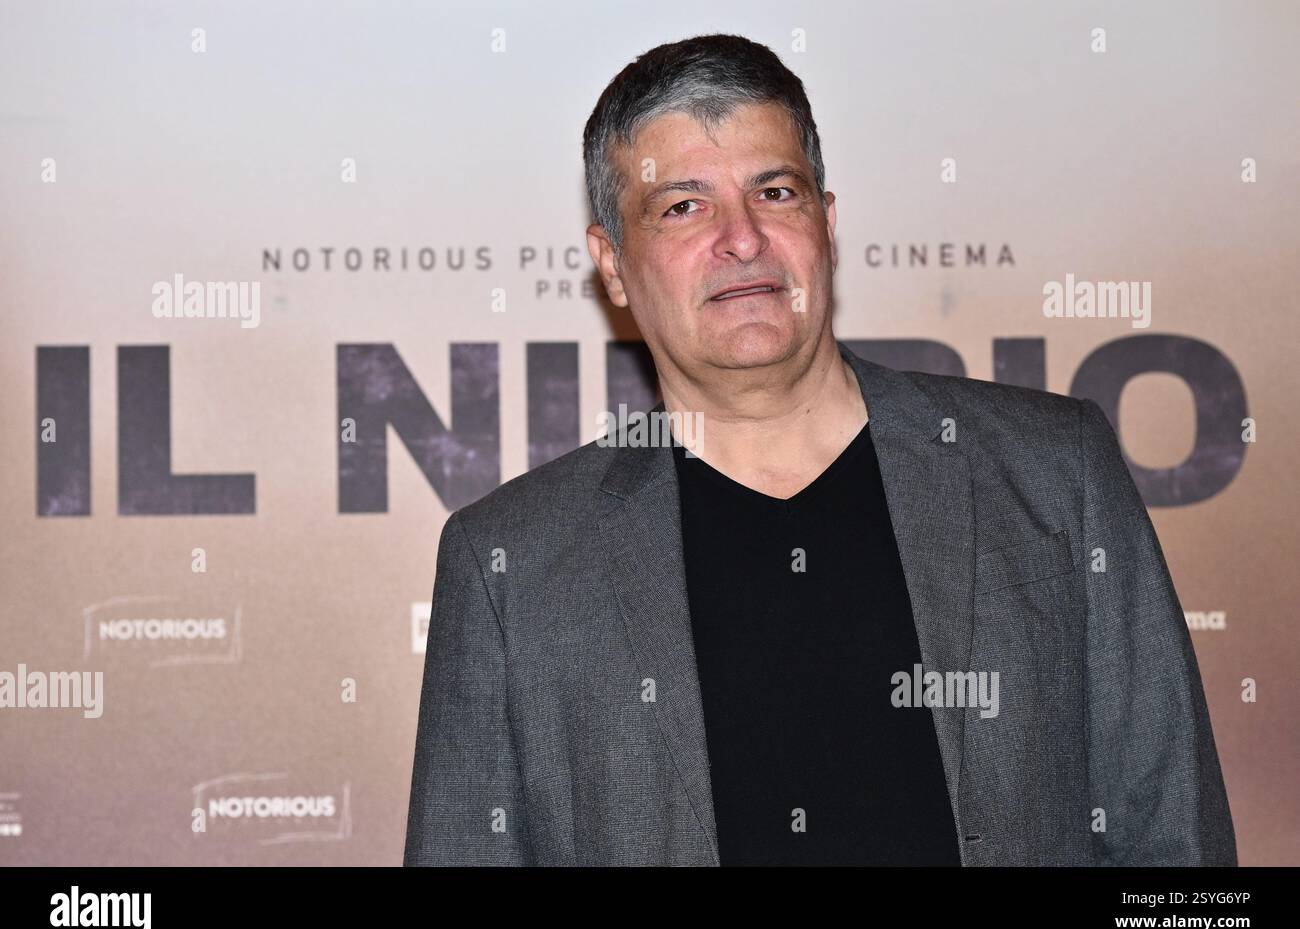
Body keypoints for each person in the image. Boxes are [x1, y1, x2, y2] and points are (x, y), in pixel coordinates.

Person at [403, 33, 1236, 866]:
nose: (742, 238)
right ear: (613, 266)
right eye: (683, 205)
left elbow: (1175, 844)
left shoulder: (1056, 472)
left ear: (826, 225)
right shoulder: (511, 564)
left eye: (774, 190)